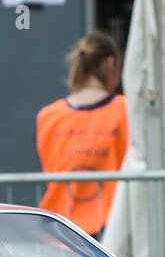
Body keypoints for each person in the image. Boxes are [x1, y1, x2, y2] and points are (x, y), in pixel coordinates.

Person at [36, 31, 128, 239]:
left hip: (58, 226)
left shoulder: (48, 116)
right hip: (110, 225)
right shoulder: (125, 110)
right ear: (110, 64)